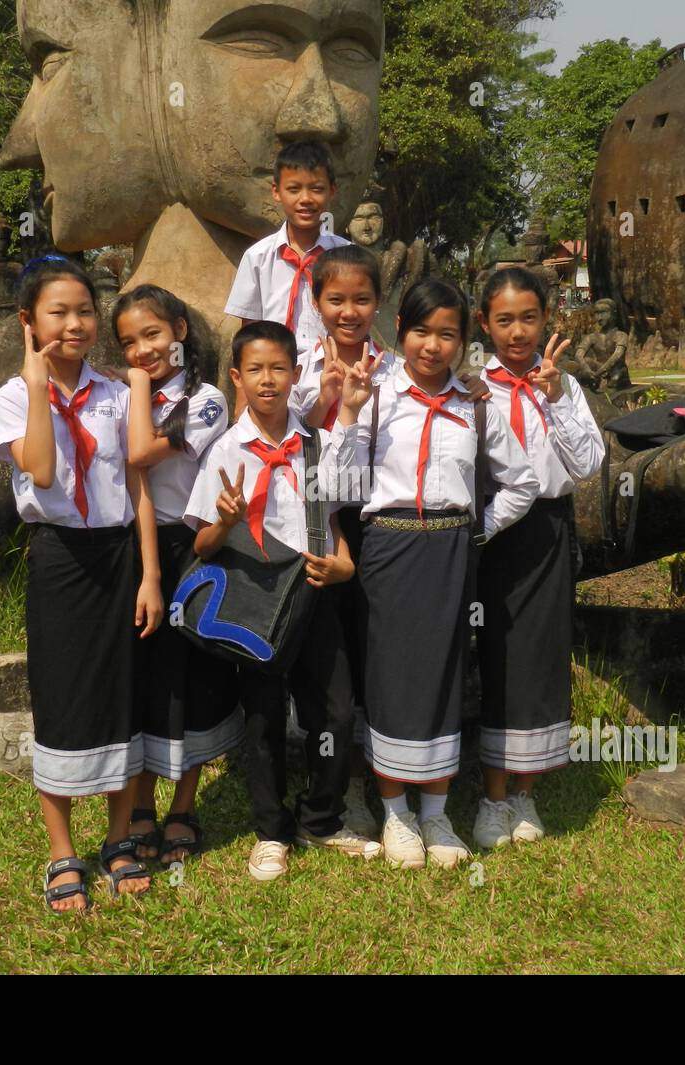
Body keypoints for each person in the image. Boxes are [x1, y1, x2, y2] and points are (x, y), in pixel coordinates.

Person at [329, 279, 539, 869]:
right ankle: (395, 813)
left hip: (451, 551)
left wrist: (479, 527)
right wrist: (347, 413)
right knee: (390, 678)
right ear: (400, 332)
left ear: (463, 341)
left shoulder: (477, 405)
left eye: (447, 334)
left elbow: (521, 481)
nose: (432, 345)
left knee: (446, 672)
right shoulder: (374, 396)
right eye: (421, 331)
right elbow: (338, 486)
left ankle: (436, 812)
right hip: (387, 549)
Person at [0, 255, 165, 913]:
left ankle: (118, 839)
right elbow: (38, 469)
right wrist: (39, 387)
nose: (75, 323)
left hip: (120, 555)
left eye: (85, 311)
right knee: (60, 696)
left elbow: (140, 488)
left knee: (125, 693)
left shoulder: (118, 394)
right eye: (58, 312)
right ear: (28, 322)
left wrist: (150, 573)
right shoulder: (13, 396)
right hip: (60, 559)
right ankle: (63, 850)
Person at [185, 321, 382, 881]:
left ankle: (321, 817)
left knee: (336, 711)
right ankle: (271, 830)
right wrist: (223, 522)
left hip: (315, 595)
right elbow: (201, 543)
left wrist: (345, 562)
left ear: (296, 375)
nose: (267, 381)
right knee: (264, 716)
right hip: (257, 603)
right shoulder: (226, 450)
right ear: (236, 377)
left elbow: (332, 515)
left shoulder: (314, 445)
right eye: (255, 370)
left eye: (278, 369)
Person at [472, 268, 606, 851]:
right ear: (484, 324)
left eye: (528, 317)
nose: (518, 331)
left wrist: (554, 398)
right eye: (504, 320)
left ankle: (522, 792)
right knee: (493, 656)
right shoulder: (474, 387)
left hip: (547, 532)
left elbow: (588, 465)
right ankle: (488, 796)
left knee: (538, 660)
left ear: (546, 318)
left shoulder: (564, 386)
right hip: (489, 533)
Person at [116, 284, 242, 868]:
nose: (143, 350)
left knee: (194, 675)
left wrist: (138, 388)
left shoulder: (209, 400)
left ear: (181, 333)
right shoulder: (120, 398)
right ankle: (140, 805)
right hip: (138, 548)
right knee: (141, 673)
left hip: (195, 547)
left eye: (153, 335)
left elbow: (141, 455)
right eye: (129, 343)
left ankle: (184, 806)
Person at [292, 244, 398, 837]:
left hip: (378, 519)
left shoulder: (394, 367)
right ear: (317, 302)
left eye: (361, 299)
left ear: (377, 302)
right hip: (321, 519)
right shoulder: (303, 362)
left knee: (369, 649)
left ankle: (376, 777)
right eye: (336, 299)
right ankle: (338, 784)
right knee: (327, 661)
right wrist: (328, 392)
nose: (349, 311)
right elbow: (286, 426)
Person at [224, 141, 352, 393]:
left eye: (316, 189)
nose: (305, 199)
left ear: (332, 191)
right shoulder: (258, 257)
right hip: (275, 379)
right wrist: (243, 400)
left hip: (334, 372)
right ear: (276, 191)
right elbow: (249, 334)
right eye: (293, 189)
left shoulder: (347, 256)